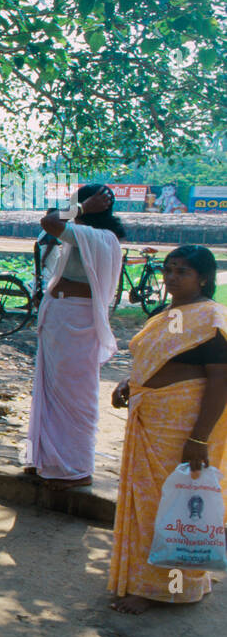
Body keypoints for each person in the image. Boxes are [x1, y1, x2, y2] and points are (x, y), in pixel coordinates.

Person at [109, 245, 227, 614]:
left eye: (183, 272)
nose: (172, 277)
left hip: (181, 427)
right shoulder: (166, 312)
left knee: (173, 508)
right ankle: (145, 579)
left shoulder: (212, 320)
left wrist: (198, 438)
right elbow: (154, 358)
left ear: (203, 278)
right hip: (150, 419)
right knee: (145, 505)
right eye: (169, 269)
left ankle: (168, 587)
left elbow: (220, 383)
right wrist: (130, 383)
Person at [24, 184, 124, 489]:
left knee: (74, 396)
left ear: (92, 207)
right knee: (51, 393)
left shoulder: (99, 237)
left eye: (75, 204)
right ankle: (46, 461)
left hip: (76, 323)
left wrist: (82, 208)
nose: (70, 209)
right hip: (60, 318)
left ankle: (75, 469)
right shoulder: (78, 234)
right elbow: (49, 223)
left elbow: (49, 222)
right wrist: (79, 209)